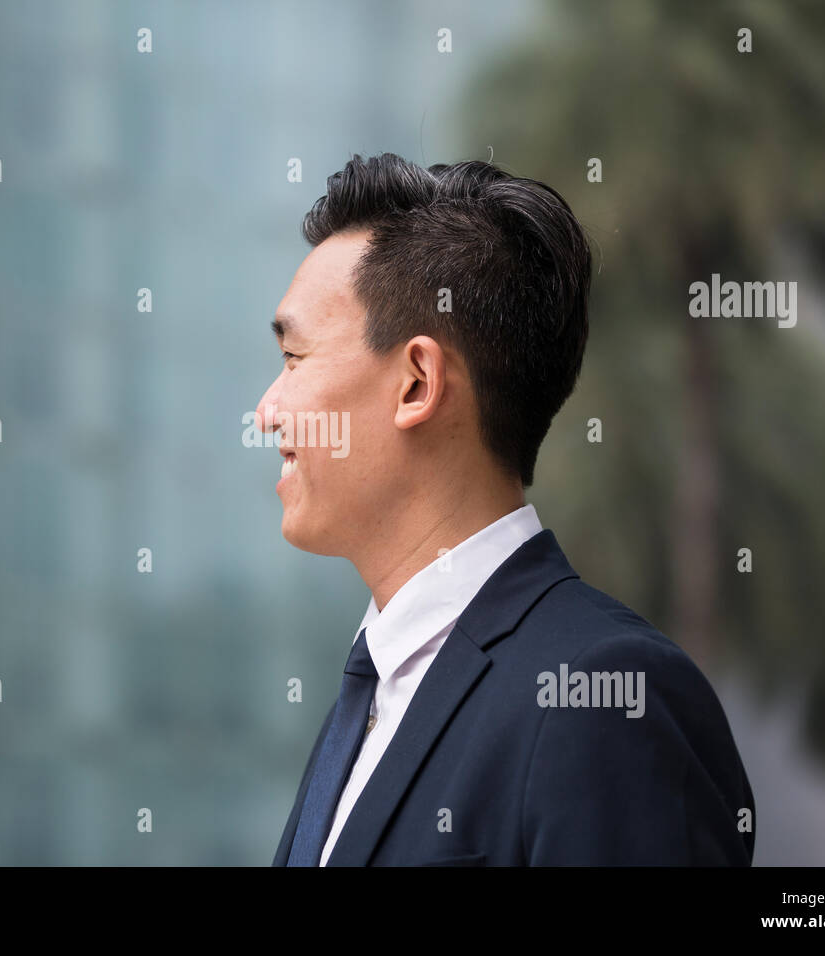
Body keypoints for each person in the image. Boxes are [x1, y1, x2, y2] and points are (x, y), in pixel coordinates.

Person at [260, 153, 754, 866]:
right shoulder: (373, 695)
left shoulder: (603, 700)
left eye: (295, 358)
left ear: (417, 383)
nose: (268, 410)